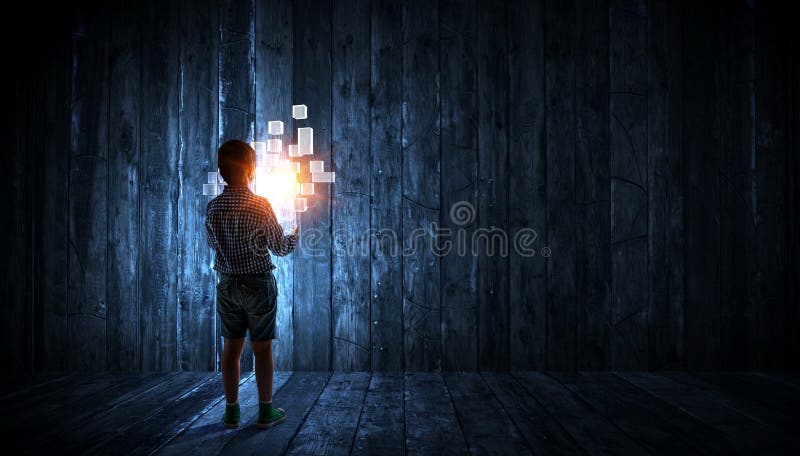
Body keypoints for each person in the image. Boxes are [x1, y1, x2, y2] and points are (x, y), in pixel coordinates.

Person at [205, 139, 299, 429]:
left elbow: (213, 245)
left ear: (222, 170)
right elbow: (279, 247)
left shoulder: (213, 207)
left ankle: (232, 413)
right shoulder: (260, 205)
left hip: (228, 285)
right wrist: (294, 235)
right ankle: (265, 412)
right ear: (250, 169)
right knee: (262, 349)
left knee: (231, 349)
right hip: (258, 285)